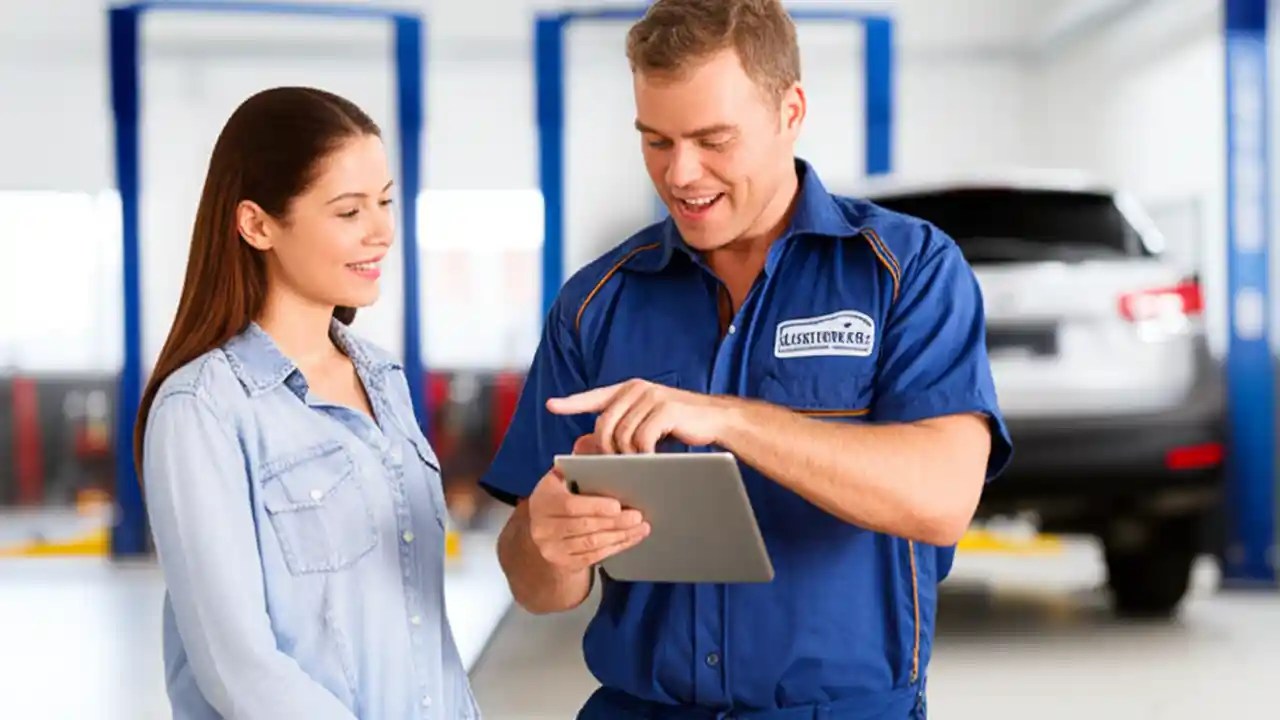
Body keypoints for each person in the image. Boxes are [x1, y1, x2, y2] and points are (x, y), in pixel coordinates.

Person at [482, 1, 1013, 718]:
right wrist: (547, 544)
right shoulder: (597, 301)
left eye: (713, 139)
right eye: (656, 141)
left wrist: (729, 419)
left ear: (790, 111)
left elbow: (942, 500)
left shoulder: (905, 271)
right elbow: (537, 589)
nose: (681, 174)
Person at [135, 87, 479, 720]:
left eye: (385, 202)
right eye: (349, 212)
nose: (381, 232)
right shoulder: (202, 410)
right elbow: (238, 668)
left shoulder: (383, 379)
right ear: (257, 224)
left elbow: (421, 631)